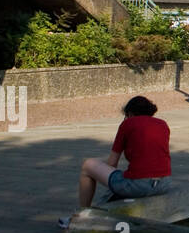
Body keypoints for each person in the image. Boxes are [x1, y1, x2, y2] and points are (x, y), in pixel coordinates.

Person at [62, 96, 170, 226]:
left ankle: (82, 215)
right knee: (121, 178)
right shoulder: (163, 124)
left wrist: (109, 179)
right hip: (164, 183)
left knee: (88, 166)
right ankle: (100, 208)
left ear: (129, 113)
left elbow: (112, 163)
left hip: (138, 185)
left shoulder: (128, 124)